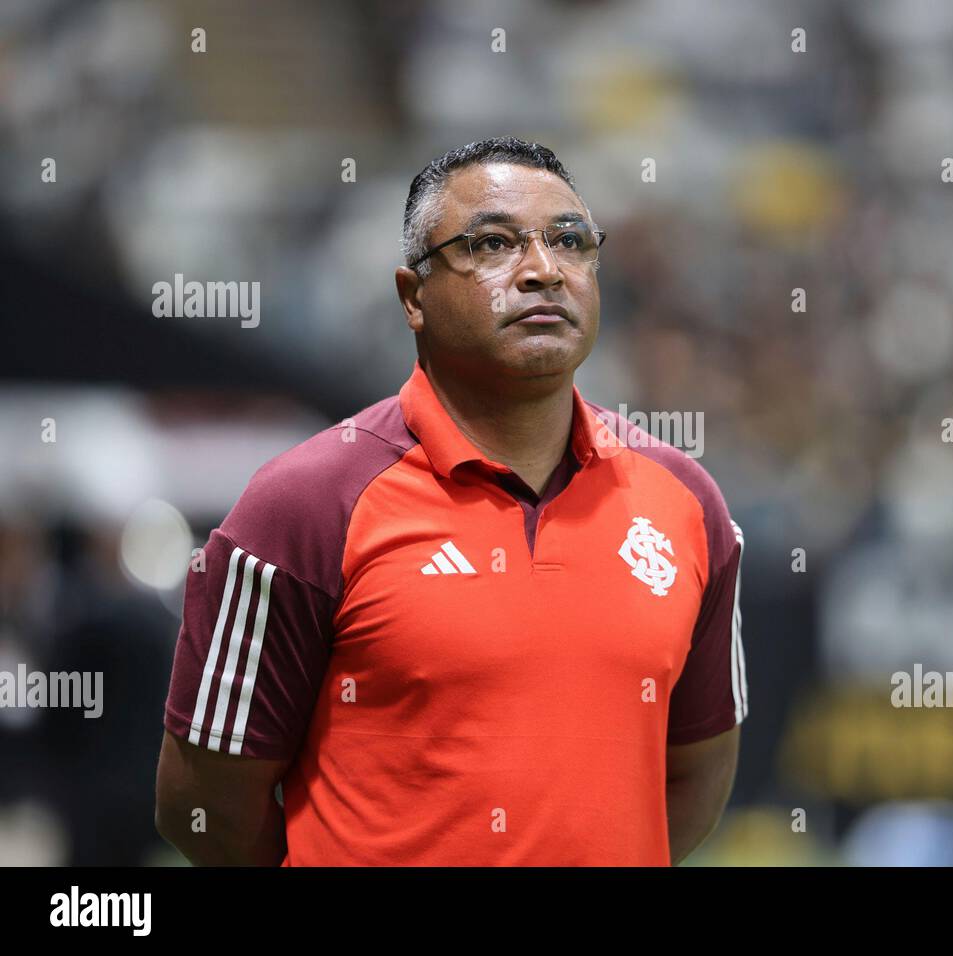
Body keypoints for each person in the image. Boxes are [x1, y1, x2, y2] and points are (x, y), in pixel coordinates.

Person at [154, 137, 748, 866]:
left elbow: (696, 775)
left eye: (570, 242)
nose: (542, 271)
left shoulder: (686, 502)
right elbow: (203, 806)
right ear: (413, 297)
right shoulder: (306, 504)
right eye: (492, 244)